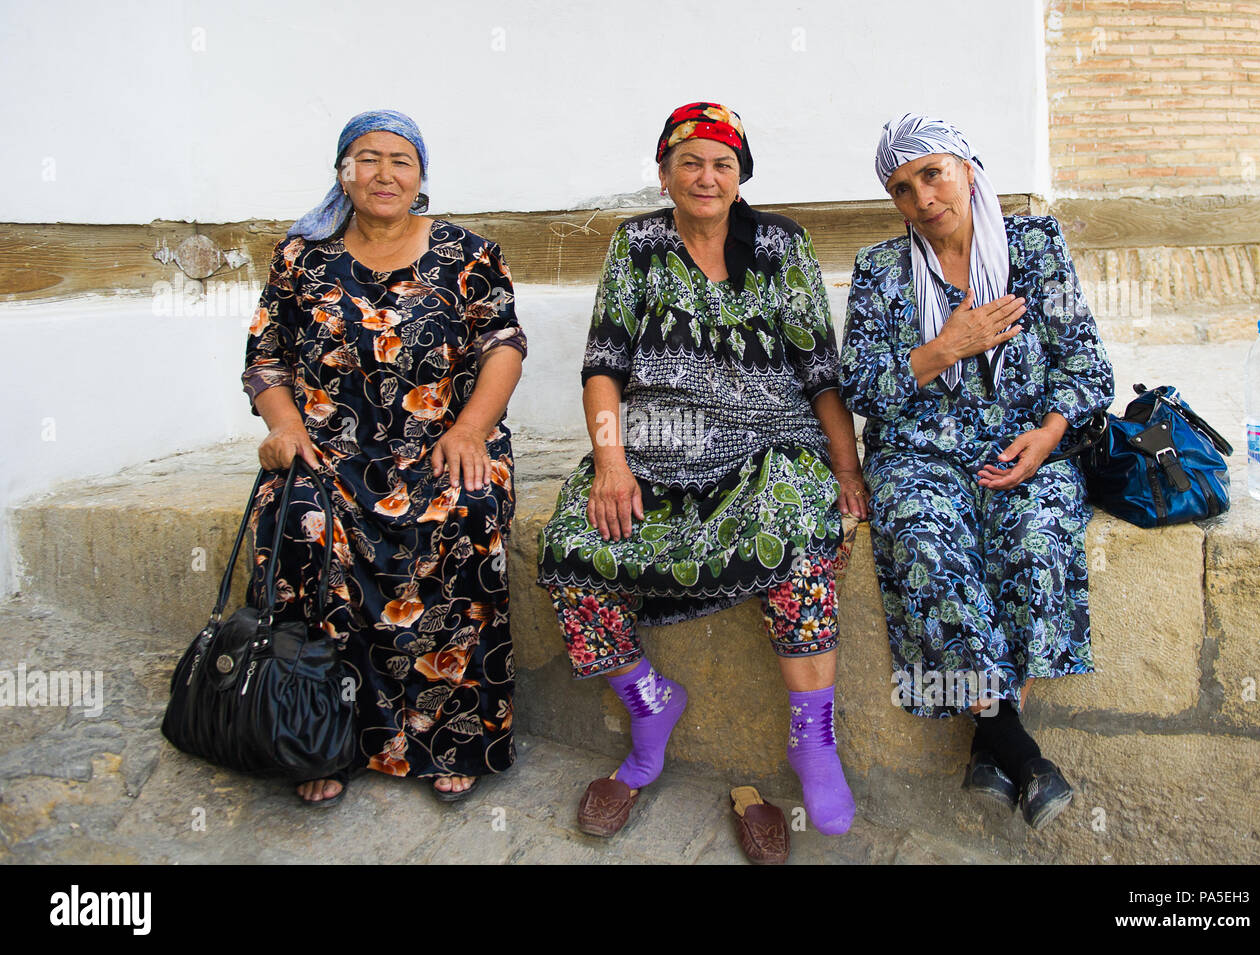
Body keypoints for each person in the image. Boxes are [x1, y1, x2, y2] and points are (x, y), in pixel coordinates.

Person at [537, 102, 869, 842]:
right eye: (690, 161)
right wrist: (611, 460)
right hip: (654, 446)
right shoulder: (638, 245)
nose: (706, 176)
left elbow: (819, 368)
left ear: (741, 175)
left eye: (723, 163)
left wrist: (846, 468)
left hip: (768, 442)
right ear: (665, 174)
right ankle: (649, 699)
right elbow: (605, 365)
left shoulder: (781, 244)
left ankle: (812, 738)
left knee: (795, 532)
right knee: (568, 547)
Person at [242, 109, 526, 806]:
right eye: (366, 158)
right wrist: (282, 428)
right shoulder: (299, 256)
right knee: (298, 519)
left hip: (438, 442)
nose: (383, 173)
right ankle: (319, 734)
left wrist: (470, 430)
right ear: (343, 172)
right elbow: (266, 358)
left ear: (421, 175)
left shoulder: (468, 253)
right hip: (330, 450)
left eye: (400, 159)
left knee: (469, 508)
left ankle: (450, 739)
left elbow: (504, 347)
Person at [839, 113, 1115, 828]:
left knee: (1036, 535)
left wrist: (1050, 435)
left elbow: (1085, 360)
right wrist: (942, 349)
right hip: (918, 452)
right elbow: (861, 387)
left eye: (932, 174)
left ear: (967, 168)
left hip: (1024, 444)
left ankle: (992, 744)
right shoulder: (879, 269)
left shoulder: (1034, 244)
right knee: (926, 546)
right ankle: (1021, 751)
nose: (922, 198)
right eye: (902, 188)